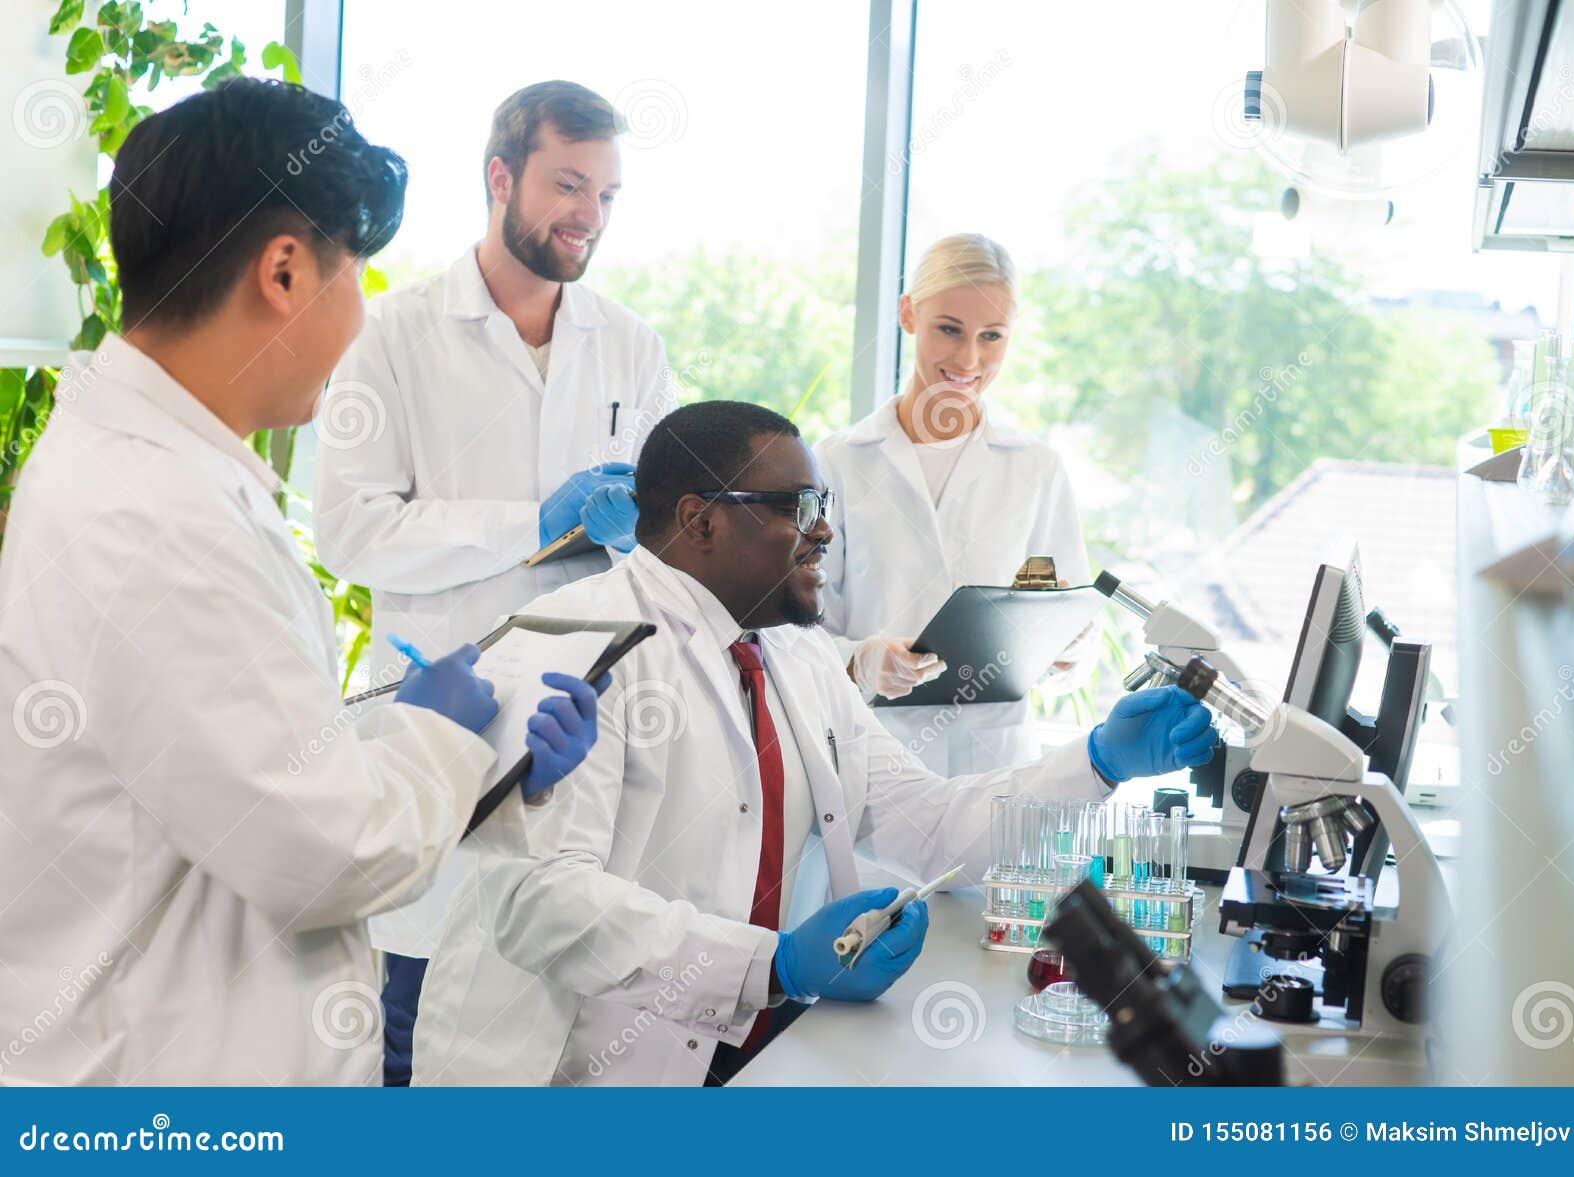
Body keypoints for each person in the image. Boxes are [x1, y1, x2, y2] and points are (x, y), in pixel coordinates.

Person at [0, 79, 603, 1086]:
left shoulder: (162, 468)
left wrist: (482, 759)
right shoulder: (152, 515)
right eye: (353, 271)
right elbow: (328, 851)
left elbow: (237, 756)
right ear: (283, 270)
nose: (360, 314)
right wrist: (444, 732)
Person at [411, 401, 1216, 1086]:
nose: (824, 529)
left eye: (822, 501)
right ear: (701, 520)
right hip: (566, 1083)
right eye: (795, 504)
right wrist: (776, 965)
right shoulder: (577, 642)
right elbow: (543, 904)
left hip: (738, 1058)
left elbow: (931, 824)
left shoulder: (792, 655)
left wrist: (1096, 762)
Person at [310, 80, 678, 1080]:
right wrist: (532, 524)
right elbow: (348, 529)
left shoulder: (631, 347)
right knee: (417, 1032)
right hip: (442, 733)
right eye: (567, 185)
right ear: (499, 176)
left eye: (606, 195)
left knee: (552, 1042)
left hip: (577, 742)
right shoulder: (391, 336)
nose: (587, 216)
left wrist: (639, 532)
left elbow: (658, 550)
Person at [817, 233, 1096, 776]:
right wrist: (862, 662)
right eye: (949, 330)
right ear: (908, 314)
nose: (969, 359)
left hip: (997, 764)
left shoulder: (1035, 467)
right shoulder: (838, 462)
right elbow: (796, 636)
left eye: (992, 336)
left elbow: (1069, 631)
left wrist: (1069, 650)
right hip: (873, 756)